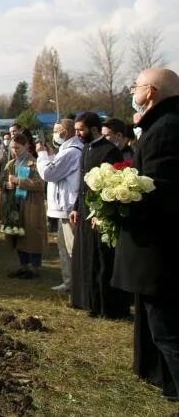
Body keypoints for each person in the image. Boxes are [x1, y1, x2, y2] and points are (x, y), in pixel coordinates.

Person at [112, 69, 179, 400]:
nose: (133, 91)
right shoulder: (164, 123)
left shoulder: (165, 129)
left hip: (160, 249)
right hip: (162, 246)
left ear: (150, 91)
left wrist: (118, 202)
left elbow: (159, 191)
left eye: (135, 87)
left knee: (168, 332)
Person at [71, 111, 130, 318]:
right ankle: (87, 301)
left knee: (101, 260)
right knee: (85, 256)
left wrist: (101, 212)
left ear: (93, 129)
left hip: (101, 214)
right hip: (85, 211)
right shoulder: (86, 148)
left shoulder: (109, 151)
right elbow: (82, 182)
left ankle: (105, 306)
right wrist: (76, 207)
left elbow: (113, 183)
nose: (77, 133)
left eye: (81, 129)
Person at [36, 118, 83, 292]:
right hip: (63, 207)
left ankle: (77, 284)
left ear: (64, 132)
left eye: (56, 131)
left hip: (68, 207)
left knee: (72, 249)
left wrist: (42, 155)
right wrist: (49, 156)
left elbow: (48, 173)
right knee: (64, 248)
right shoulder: (66, 150)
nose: (54, 134)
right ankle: (69, 281)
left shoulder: (71, 151)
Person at [1, 133, 47, 279]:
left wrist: (19, 181)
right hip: (15, 205)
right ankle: (23, 266)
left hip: (31, 205)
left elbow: (40, 185)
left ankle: (35, 268)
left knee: (33, 236)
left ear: (27, 146)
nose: (14, 150)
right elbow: (2, 183)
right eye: (12, 148)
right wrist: (6, 185)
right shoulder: (11, 164)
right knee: (18, 235)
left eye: (17, 147)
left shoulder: (35, 163)